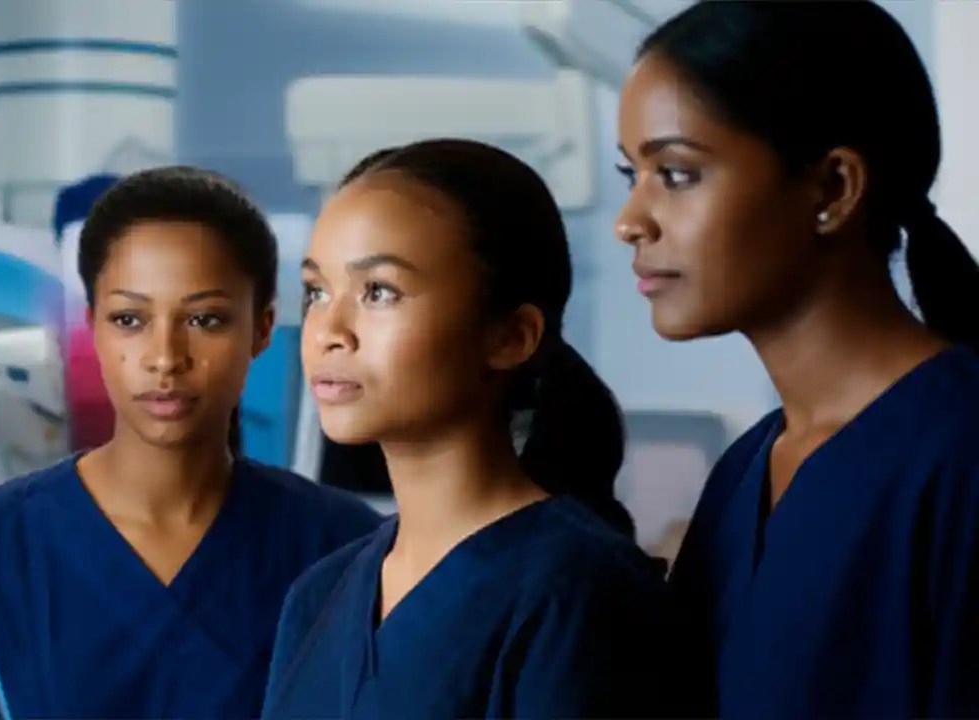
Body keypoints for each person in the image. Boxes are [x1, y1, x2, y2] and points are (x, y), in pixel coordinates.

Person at [614, 2, 979, 718]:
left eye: (677, 174)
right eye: (631, 173)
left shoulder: (959, 454)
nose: (632, 219)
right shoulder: (743, 476)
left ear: (833, 188)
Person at [262, 139, 683, 719]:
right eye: (316, 291)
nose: (329, 331)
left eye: (378, 291)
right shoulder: (318, 597)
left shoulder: (576, 593)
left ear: (512, 336)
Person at [0, 167, 384, 720]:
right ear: (93, 328)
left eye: (205, 319)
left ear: (262, 328)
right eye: (130, 319)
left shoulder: (347, 555)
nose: (165, 356)